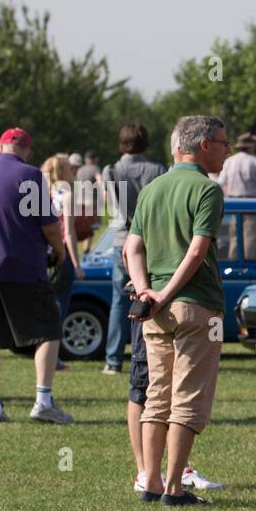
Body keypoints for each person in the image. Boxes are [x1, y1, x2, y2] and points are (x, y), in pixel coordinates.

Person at [124, 115, 230, 505]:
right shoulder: (208, 190)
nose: (228, 149)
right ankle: (173, 487)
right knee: (187, 398)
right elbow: (198, 250)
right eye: (223, 142)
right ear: (202, 145)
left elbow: (131, 248)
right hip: (196, 307)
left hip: (154, 312)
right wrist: (167, 293)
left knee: (156, 397)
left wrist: (146, 291)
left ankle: (149, 481)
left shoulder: (152, 189)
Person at [0, 127, 72, 423]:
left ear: (0, 148)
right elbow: (49, 226)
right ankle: (43, 401)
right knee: (48, 331)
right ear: (27, 151)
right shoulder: (32, 176)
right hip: (23, 267)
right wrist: (60, 251)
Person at [101, 124, 167, 375]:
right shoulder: (158, 169)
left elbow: (112, 205)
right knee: (150, 296)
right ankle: (148, 355)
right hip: (150, 241)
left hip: (122, 239)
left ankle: (113, 359)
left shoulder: (111, 170)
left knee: (119, 301)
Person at [42, 153, 85, 370]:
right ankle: (53, 356)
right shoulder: (66, 193)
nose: (73, 170)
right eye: (69, 167)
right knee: (60, 306)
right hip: (61, 254)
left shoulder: (41, 192)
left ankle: (42, 351)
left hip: (41, 254)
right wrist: (77, 264)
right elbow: (68, 232)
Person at [218, 132, 256, 198]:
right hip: (253, 202)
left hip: (233, 201)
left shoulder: (229, 161)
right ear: (251, 147)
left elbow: (222, 182)